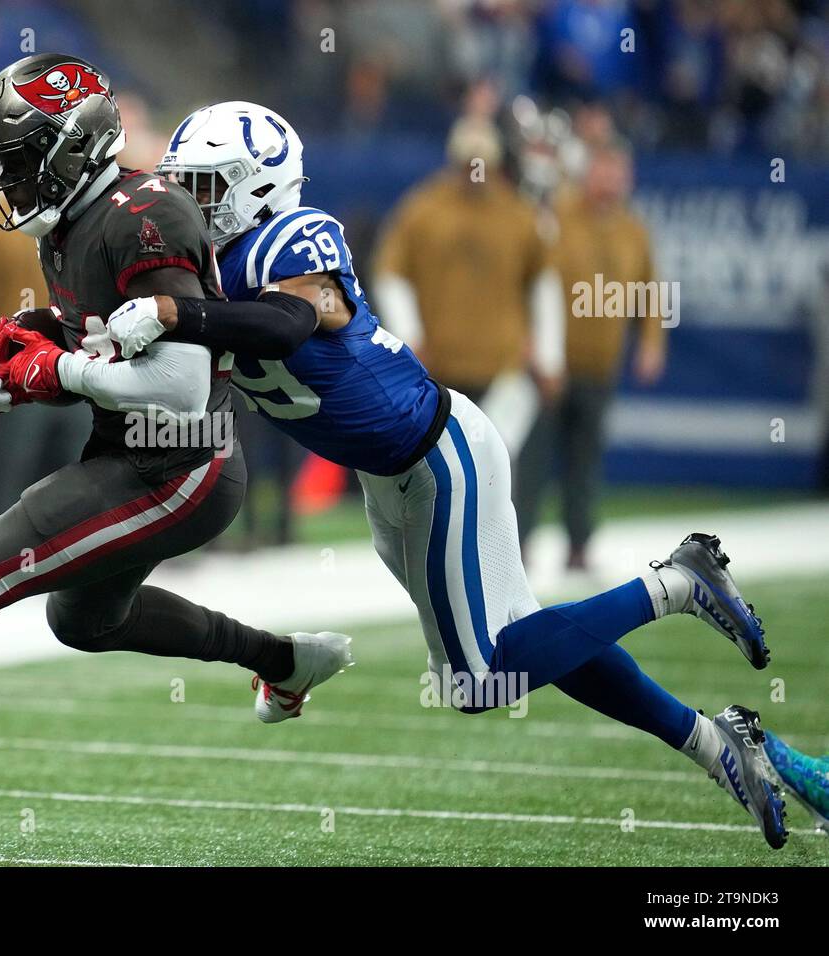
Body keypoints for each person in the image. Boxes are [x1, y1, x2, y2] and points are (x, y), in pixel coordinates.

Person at [105, 100, 790, 849]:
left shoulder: (292, 238)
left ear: (257, 187)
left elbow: (285, 324)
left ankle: (678, 583)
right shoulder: (206, 263)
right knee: (532, 643)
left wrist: (176, 314)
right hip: (392, 478)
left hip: (436, 457)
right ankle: (713, 742)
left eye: (206, 187)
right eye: (185, 184)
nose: (190, 204)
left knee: (478, 680)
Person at [0, 55, 352, 857]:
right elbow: (95, 327)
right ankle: (283, 661)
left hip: (178, 465)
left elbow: (179, 388)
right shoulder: (82, 215)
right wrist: (21, 347)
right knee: (85, 619)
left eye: (16, 158)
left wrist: (59, 371)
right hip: (141, 455)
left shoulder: (146, 216)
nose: (7, 178)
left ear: (74, 143)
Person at [370, 116, 565, 457]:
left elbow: (544, 285)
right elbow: (390, 274)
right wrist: (410, 338)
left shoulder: (518, 215)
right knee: (444, 464)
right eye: (467, 164)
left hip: (502, 367)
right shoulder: (424, 209)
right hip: (439, 366)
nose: (475, 172)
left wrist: (549, 357)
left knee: (496, 459)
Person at [513, 139, 667, 570]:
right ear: (587, 173)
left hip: (600, 365)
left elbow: (650, 293)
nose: (611, 181)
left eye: (618, 172)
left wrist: (652, 343)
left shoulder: (634, 229)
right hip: (550, 366)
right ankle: (517, 544)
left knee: (585, 460)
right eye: (603, 171)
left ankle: (578, 546)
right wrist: (528, 341)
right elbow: (528, 279)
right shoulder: (555, 217)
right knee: (535, 459)